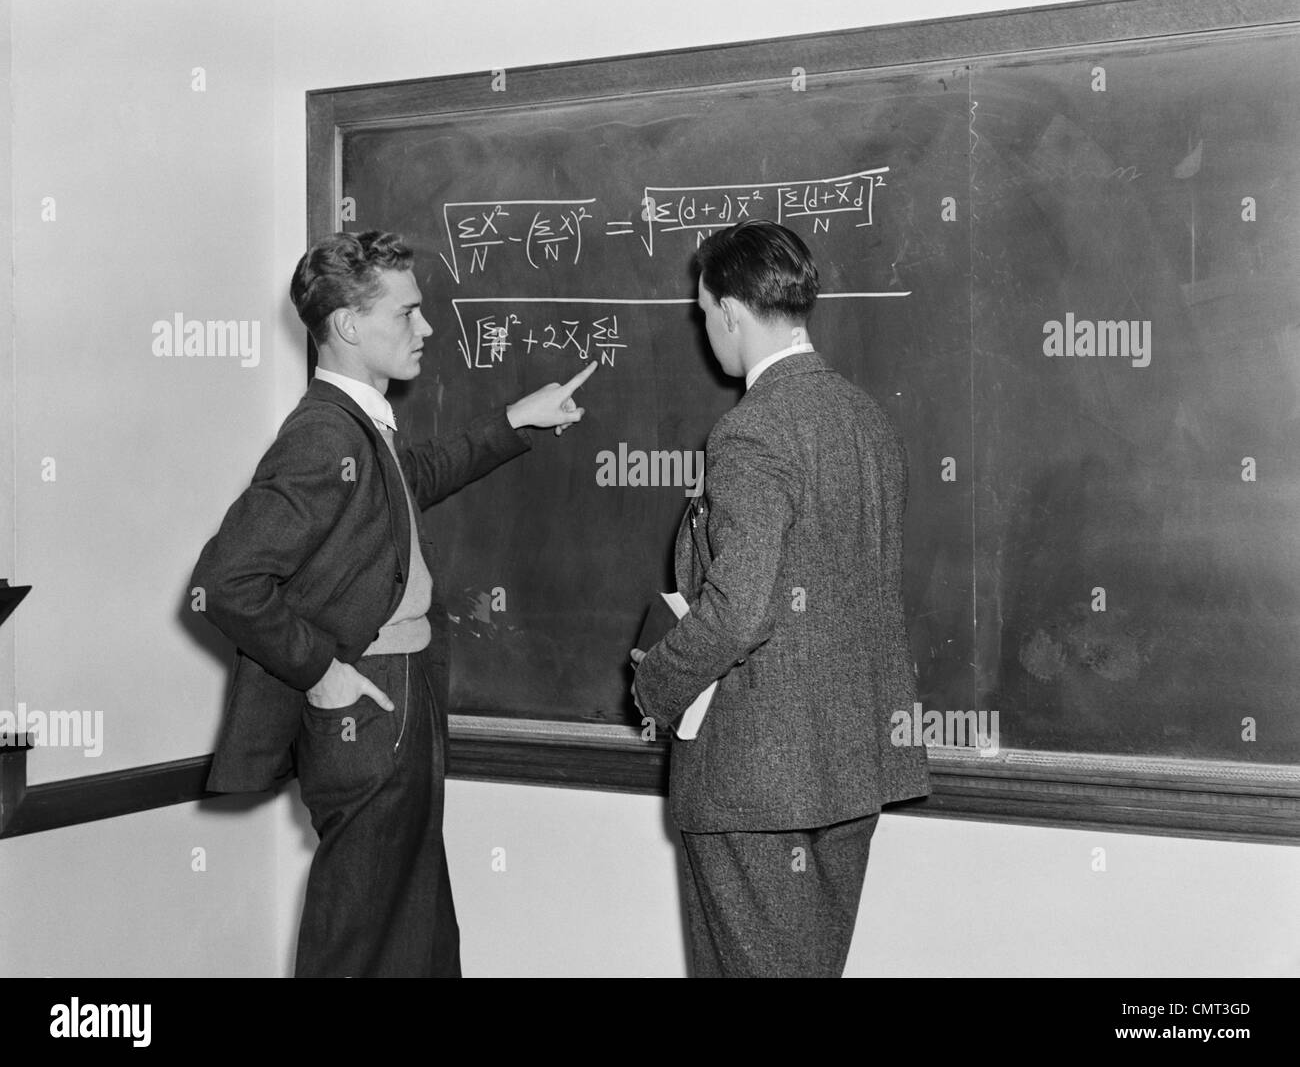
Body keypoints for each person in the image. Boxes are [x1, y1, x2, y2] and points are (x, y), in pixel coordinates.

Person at [192, 230, 595, 977]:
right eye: (408, 313)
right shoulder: (320, 436)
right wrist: (321, 671)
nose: (428, 327)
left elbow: (418, 475)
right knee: (362, 941)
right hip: (368, 705)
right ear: (347, 325)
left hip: (404, 693)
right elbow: (225, 580)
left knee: (414, 937)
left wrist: (515, 419)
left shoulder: (359, 426)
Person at [631, 219, 929, 978]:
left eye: (704, 314)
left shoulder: (752, 430)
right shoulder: (866, 418)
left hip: (758, 784)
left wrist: (656, 682)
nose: (706, 332)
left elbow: (740, 609)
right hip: (849, 767)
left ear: (732, 311)